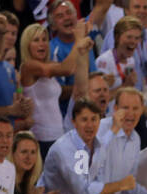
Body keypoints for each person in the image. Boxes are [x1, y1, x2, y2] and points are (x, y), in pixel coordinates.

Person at [21, 20, 93, 156]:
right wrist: (78, 41)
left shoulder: (49, 65)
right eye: (36, 40)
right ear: (27, 45)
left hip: (58, 135)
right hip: (41, 138)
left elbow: (72, 69)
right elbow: (67, 69)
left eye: (44, 39)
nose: (42, 43)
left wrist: (83, 48)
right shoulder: (28, 67)